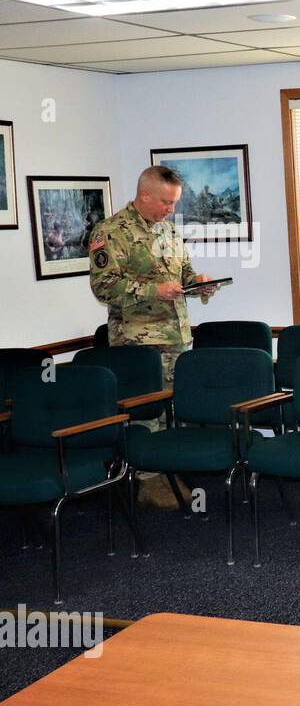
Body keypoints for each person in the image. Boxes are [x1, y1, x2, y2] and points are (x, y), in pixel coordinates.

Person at [89, 165, 215, 510]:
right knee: (146, 411)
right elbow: (104, 287)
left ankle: (171, 469)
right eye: (166, 202)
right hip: (138, 343)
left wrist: (199, 280)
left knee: (174, 407)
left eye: (174, 203)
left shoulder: (169, 230)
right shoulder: (111, 232)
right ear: (145, 195)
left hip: (177, 336)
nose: (170, 210)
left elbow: (183, 272)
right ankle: (148, 479)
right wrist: (152, 291)